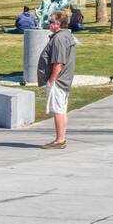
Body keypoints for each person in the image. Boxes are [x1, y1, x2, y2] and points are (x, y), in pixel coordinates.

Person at [38, 9, 78, 150]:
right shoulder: (66, 35)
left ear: (58, 24)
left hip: (59, 81)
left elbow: (58, 62)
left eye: (51, 22)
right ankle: (62, 138)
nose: (49, 24)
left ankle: (59, 140)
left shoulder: (59, 38)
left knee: (58, 110)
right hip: (65, 80)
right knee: (62, 109)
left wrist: (52, 80)